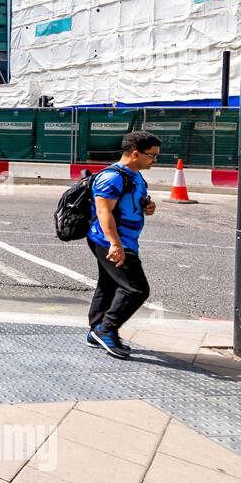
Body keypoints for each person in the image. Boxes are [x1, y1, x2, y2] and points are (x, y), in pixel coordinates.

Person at [86, 130, 160, 360]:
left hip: (123, 239)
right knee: (136, 289)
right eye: (152, 155)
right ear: (135, 153)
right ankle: (106, 330)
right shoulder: (112, 177)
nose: (154, 160)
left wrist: (147, 207)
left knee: (108, 284)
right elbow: (103, 211)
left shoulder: (135, 175)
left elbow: (130, 204)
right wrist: (115, 244)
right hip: (111, 240)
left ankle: (95, 329)